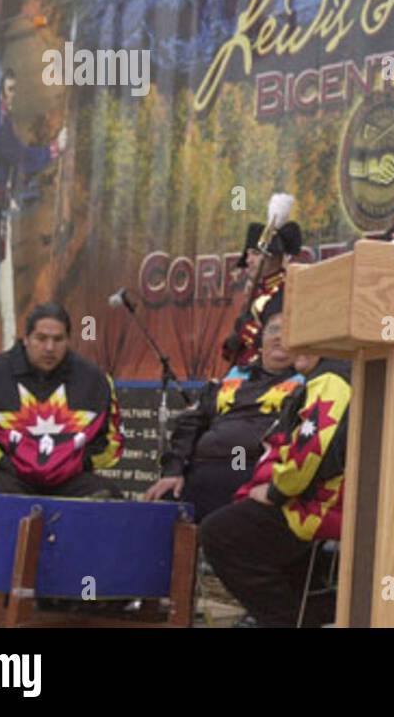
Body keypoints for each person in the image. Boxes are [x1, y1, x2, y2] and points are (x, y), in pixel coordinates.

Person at [200, 351, 352, 628]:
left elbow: (312, 448)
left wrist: (275, 491)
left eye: (310, 340)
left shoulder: (332, 377)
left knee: (219, 533)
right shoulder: (325, 376)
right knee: (275, 555)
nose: (298, 346)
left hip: (322, 505)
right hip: (317, 499)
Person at [144, 293, 308, 520]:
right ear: (261, 339)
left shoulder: (306, 383)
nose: (279, 337)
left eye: (287, 332)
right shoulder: (234, 376)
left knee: (234, 467)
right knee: (159, 506)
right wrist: (174, 471)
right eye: (273, 330)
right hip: (201, 469)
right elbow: (191, 422)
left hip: (247, 468)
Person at [0, 302, 123, 522]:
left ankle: (72, 556)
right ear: (26, 338)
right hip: (8, 477)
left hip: (71, 479)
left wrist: (83, 463)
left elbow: (112, 440)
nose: (50, 348)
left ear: (68, 340)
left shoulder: (96, 381)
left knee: (110, 500)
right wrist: (3, 462)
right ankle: (18, 557)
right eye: (41, 339)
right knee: (1, 498)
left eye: (58, 339)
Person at [0, 69, 68, 367]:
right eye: (10, 90)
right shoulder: (1, 128)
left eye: (16, 90)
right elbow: (24, 158)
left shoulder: (0, 127)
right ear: (2, 93)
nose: (13, 96)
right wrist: (55, 148)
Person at [221, 220, 303, 368]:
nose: (248, 260)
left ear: (274, 256)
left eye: (255, 254)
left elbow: (282, 341)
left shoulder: (288, 290)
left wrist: (249, 332)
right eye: (248, 254)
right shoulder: (257, 293)